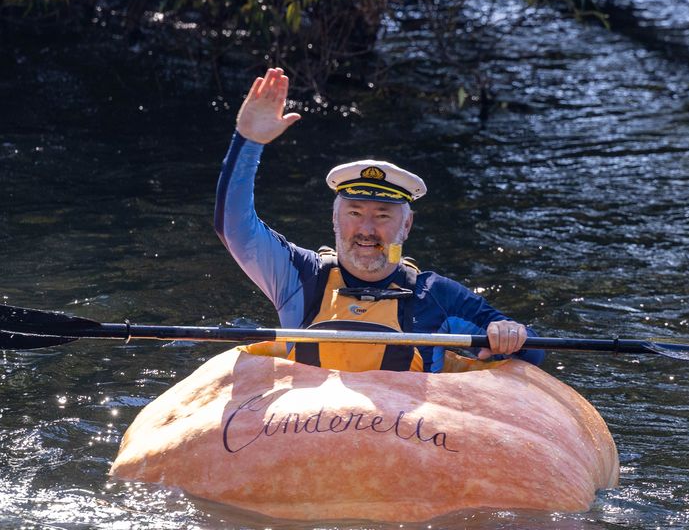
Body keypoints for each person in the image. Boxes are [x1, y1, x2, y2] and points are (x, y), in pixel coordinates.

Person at [214, 67, 544, 372]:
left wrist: (512, 334)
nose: (367, 230)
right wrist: (249, 142)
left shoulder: (437, 296)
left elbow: (534, 351)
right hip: (307, 429)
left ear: (407, 225)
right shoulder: (299, 277)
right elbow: (235, 229)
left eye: (383, 216)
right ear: (335, 218)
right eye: (354, 213)